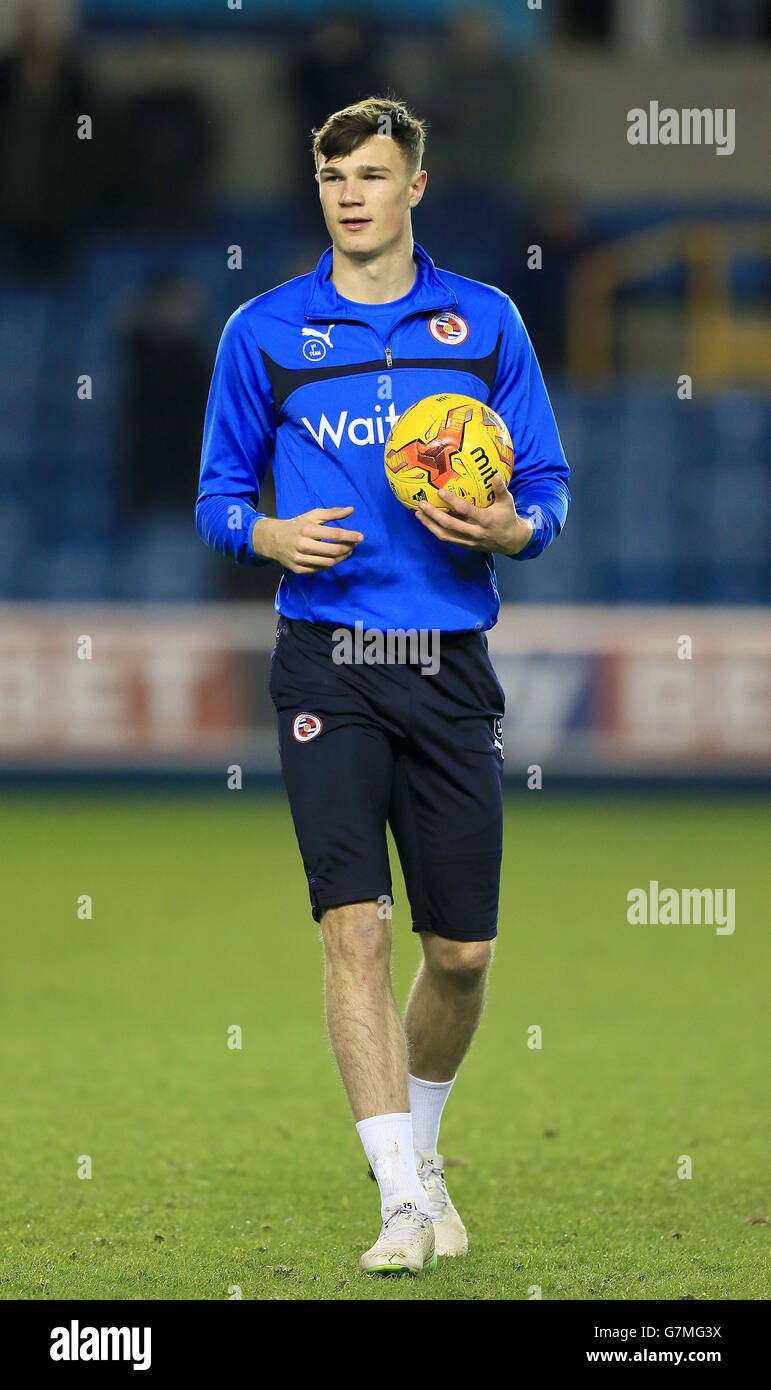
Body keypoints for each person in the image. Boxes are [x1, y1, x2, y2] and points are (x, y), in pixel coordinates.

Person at [196, 97, 569, 1276]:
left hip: (450, 665)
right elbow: (213, 499)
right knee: (353, 929)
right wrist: (267, 537)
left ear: (416, 186)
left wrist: (514, 525)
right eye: (331, 176)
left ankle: (425, 1150)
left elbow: (548, 489)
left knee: (460, 955)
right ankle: (400, 1198)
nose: (350, 193)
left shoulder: (487, 323)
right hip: (328, 664)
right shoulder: (263, 330)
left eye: (371, 173)